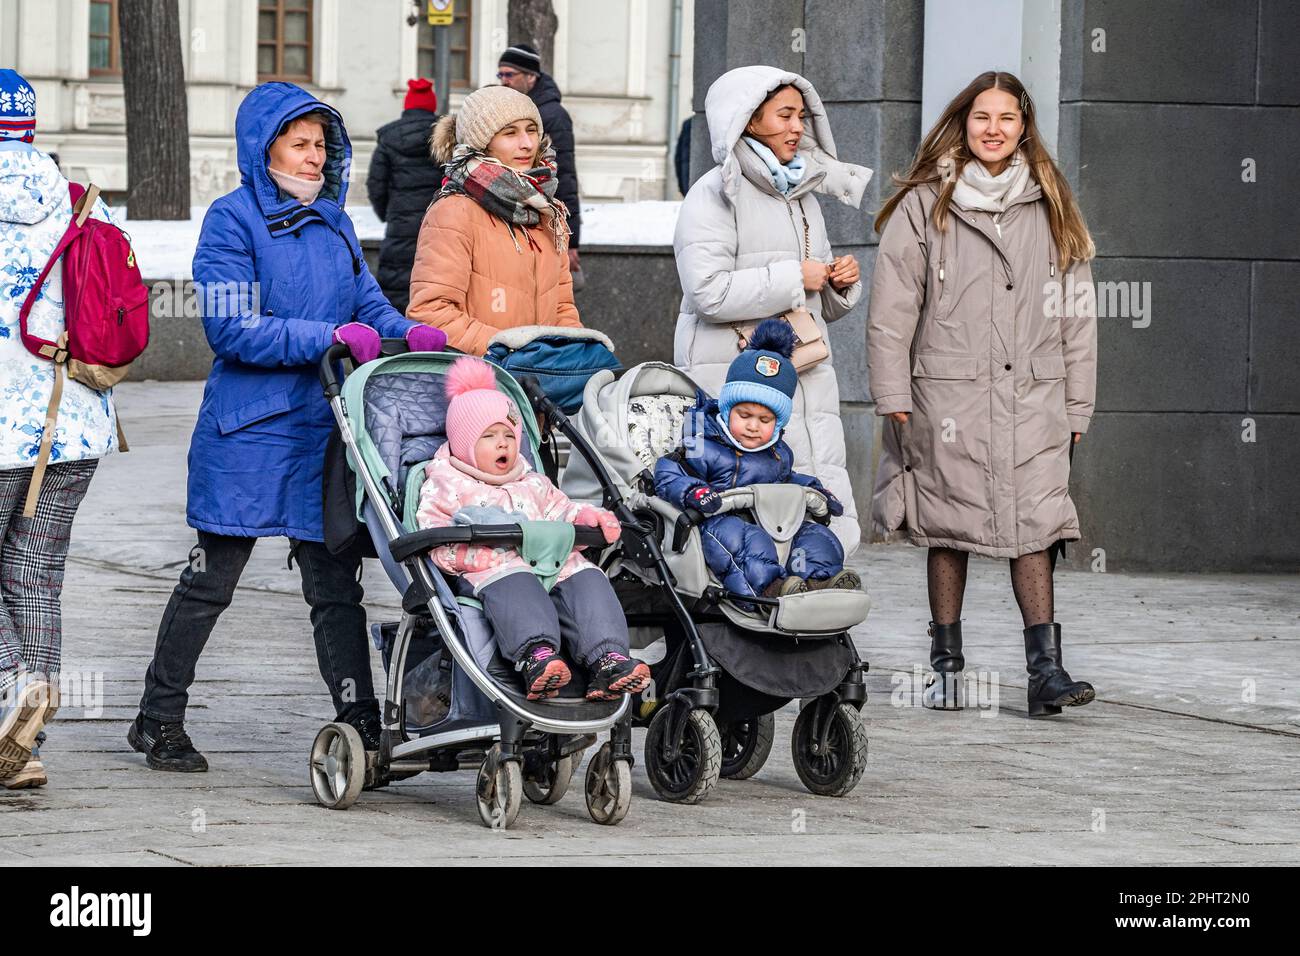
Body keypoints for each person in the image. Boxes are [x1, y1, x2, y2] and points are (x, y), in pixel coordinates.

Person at [127, 82, 446, 772]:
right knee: (212, 579)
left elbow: (368, 305)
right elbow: (231, 328)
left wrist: (411, 333)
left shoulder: (332, 224)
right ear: (262, 148)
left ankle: (358, 718)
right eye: (299, 144)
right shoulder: (229, 221)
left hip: (326, 435)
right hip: (249, 431)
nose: (313, 156)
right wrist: (329, 334)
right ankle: (158, 717)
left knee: (335, 586)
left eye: (321, 144)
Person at [867, 71, 1097, 717]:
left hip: (1034, 396)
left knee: (1037, 524)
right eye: (981, 118)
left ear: (1025, 126)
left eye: (1006, 118)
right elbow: (891, 312)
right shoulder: (925, 203)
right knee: (950, 523)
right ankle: (946, 666)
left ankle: (1045, 672)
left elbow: (1077, 314)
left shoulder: (1051, 203)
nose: (993, 129)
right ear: (962, 124)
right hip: (947, 396)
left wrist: (1078, 403)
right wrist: (892, 395)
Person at [673, 65, 869, 555]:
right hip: (734, 378)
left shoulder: (801, 197)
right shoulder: (713, 193)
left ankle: (812, 585)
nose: (797, 127)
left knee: (813, 493)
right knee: (743, 511)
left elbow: (817, 302)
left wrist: (837, 284)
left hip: (805, 378)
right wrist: (792, 279)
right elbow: (707, 292)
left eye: (801, 116)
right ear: (749, 120)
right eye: (784, 115)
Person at [0, 69, 118, 789]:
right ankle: (24, 735)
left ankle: (14, 684)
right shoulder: (76, 202)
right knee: (35, 573)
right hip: (69, 425)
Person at [415, 356, 650, 701]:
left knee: (588, 578)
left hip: (551, 561)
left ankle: (608, 660)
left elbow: (562, 509)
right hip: (496, 568)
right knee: (516, 584)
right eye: (489, 436)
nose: (503, 444)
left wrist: (586, 519)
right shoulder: (447, 484)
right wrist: (473, 551)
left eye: (509, 435)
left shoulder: (532, 480)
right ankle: (536, 657)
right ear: (464, 443)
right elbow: (433, 533)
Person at [653, 320, 859, 607]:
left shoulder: (776, 453)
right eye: (745, 415)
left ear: (778, 423)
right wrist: (694, 492)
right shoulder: (702, 444)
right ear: (727, 409)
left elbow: (788, 480)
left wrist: (818, 492)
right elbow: (668, 471)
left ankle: (816, 581)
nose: (752, 426)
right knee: (747, 541)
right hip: (719, 522)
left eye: (764, 420)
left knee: (815, 534)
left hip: (771, 520)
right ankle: (769, 590)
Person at [407, 85, 581, 355]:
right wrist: (510, 351)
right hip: (479, 381)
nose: (526, 143)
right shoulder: (455, 210)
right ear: (482, 143)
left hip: (541, 383)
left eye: (531, 130)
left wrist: (572, 356)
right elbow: (431, 312)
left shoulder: (548, 212)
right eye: (510, 133)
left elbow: (562, 308)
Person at [496, 43, 583, 286]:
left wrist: (571, 238)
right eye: (500, 74)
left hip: (541, 218)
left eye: (510, 74)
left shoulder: (552, 115)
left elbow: (564, 176)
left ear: (531, 77)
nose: (504, 80)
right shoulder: (510, 109)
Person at [367, 78, 445, 314]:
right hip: (439, 227)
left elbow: (375, 185)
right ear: (431, 106)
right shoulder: (445, 138)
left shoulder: (389, 139)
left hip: (399, 227)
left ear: (407, 106)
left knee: (396, 294)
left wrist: (390, 214)